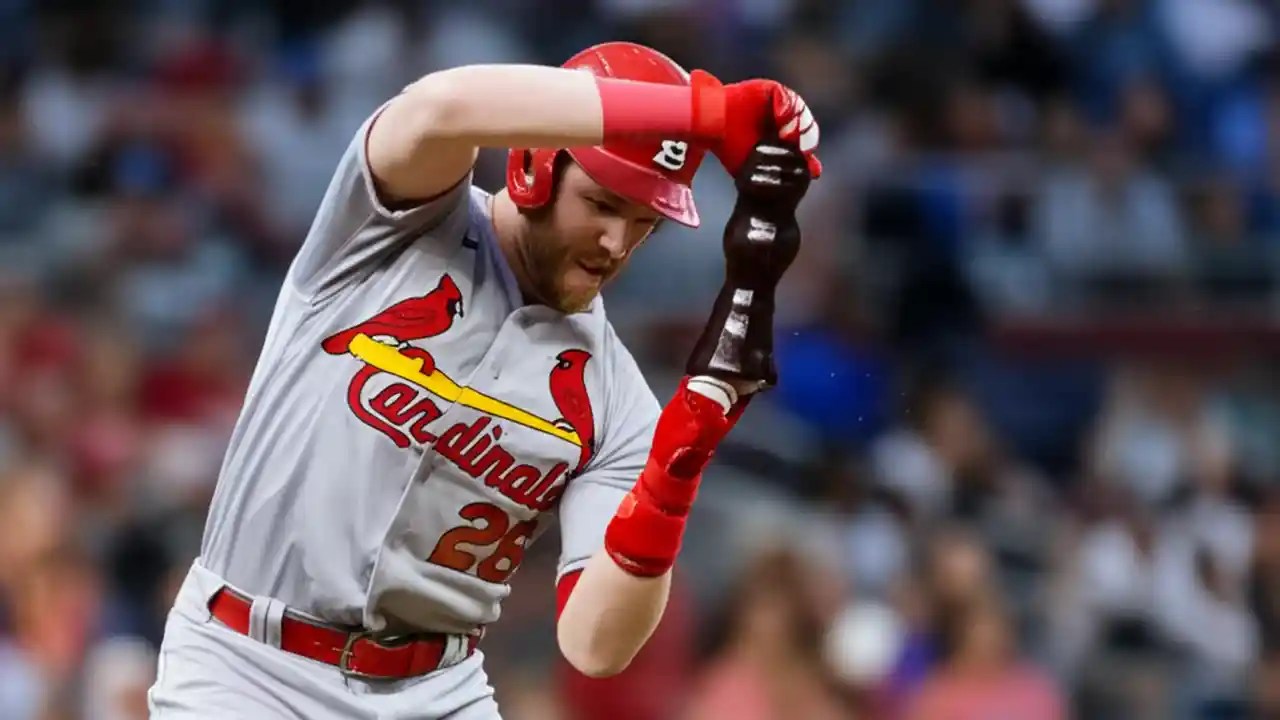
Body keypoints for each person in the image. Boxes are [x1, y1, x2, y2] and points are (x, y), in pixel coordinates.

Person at [145, 40, 821, 719]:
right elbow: (442, 106)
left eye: (643, 223)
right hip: (245, 665)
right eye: (602, 204)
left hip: (435, 690)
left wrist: (676, 472)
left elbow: (594, 643)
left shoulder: (616, 400)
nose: (617, 242)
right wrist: (699, 109)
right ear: (533, 164)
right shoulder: (397, 221)